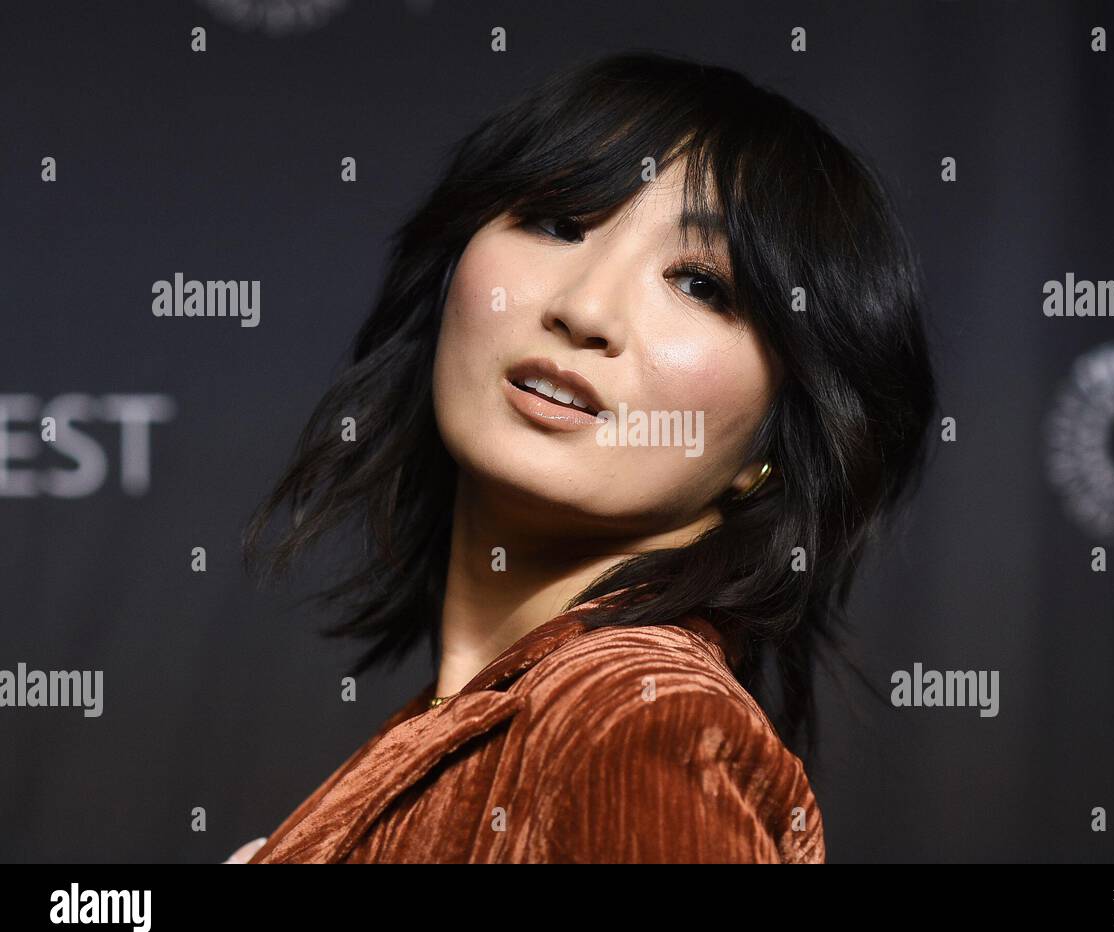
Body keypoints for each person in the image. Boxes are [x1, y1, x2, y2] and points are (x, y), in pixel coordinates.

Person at [232, 50, 936, 863]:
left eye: (701, 283)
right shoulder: (471, 726)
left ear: (776, 444)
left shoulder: (639, 719)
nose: (584, 308)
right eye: (559, 221)